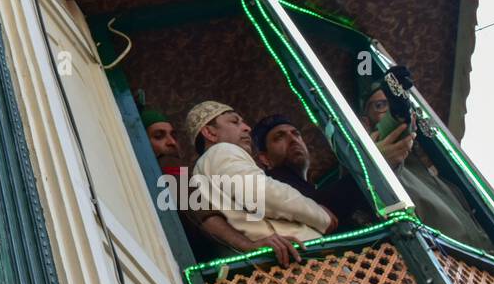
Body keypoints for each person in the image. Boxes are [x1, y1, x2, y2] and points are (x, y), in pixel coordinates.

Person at [143, 107, 301, 267]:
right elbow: (201, 213)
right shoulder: (168, 164)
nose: (171, 142)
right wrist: (249, 246)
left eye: (173, 136)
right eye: (158, 136)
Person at [360, 81, 494, 252]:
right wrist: (378, 163)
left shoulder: (439, 160)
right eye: (380, 105)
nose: (390, 111)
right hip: (447, 266)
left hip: (487, 263)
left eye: (394, 103)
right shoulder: (364, 165)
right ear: (366, 123)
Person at [188, 101, 335, 247]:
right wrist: (321, 216)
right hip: (298, 253)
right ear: (210, 133)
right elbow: (265, 193)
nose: (247, 128)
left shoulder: (204, 169)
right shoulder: (220, 151)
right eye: (235, 122)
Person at [252, 114, 365, 229]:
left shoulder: (310, 187)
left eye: (296, 134)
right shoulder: (273, 184)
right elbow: (321, 207)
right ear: (265, 158)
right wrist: (365, 166)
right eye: (279, 137)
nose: (293, 139)